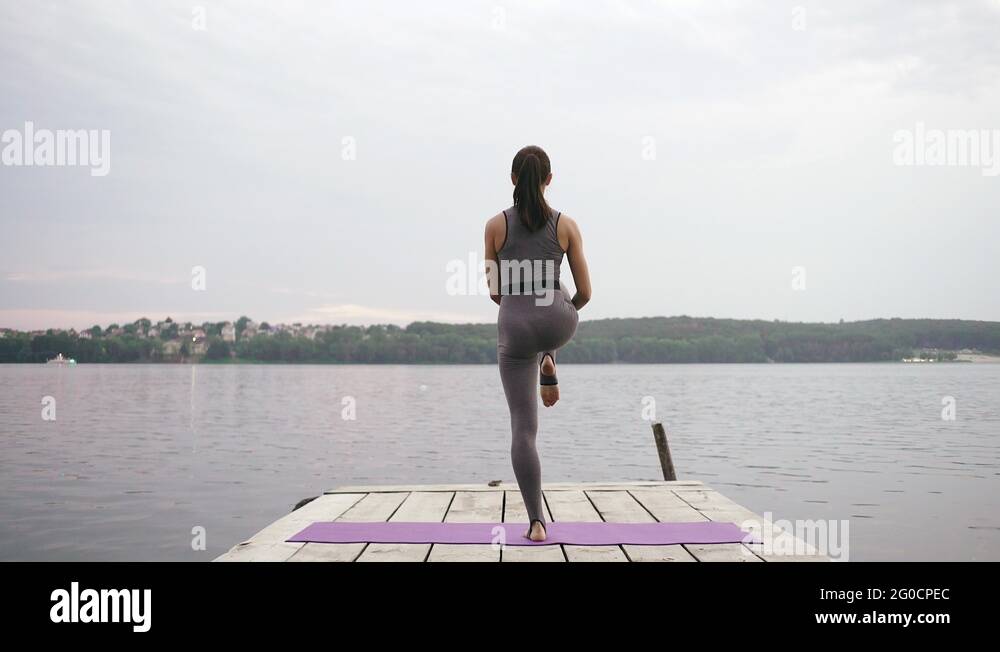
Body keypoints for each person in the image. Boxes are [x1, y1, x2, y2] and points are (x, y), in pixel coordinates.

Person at [483, 145, 592, 541]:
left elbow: (495, 293)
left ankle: (536, 523)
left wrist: (520, 302)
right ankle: (550, 354)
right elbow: (586, 292)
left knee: (523, 428)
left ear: (513, 179)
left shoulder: (495, 226)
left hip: (514, 326)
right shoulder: (566, 225)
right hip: (557, 321)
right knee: (557, 287)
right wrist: (564, 312)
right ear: (549, 180)